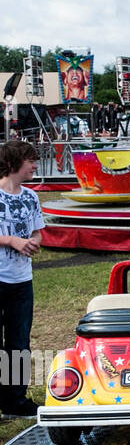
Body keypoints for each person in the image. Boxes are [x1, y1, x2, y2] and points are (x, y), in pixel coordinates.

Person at [0, 140, 44, 419]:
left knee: (19, 343)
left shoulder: (30, 196)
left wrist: (33, 242)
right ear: (16, 161)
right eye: (31, 160)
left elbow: (39, 231)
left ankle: (15, 400)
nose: (35, 165)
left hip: (21, 280)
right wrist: (11, 240)